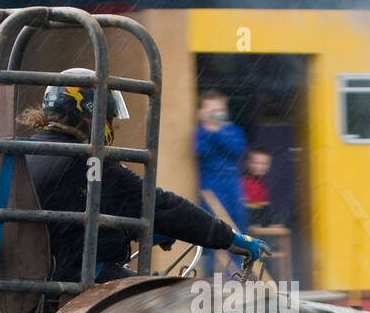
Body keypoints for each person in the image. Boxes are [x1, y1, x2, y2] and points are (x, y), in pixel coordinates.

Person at [19, 69, 268, 285]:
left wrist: (133, 231)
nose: (113, 124)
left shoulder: (28, 152)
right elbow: (161, 205)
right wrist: (229, 238)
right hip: (76, 273)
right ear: (91, 112)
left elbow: (69, 217)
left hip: (34, 273)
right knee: (167, 307)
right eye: (110, 116)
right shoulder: (88, 161)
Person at [195, 91, 248, 230]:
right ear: (200, 113)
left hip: (232, 179)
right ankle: (210, 252)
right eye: (211, 110)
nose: (215, 114)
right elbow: (201, 152)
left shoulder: (232, 130)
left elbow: (236, 151)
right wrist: (209, 132)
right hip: (209, 179)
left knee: (237, 217)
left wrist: (217, 132)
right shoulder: (199, 131)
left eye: (219, 110)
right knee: (212, 218)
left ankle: (237, 250)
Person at [242, 148, 273, 227]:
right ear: (247, 163)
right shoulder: (242, 182)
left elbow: (263, 209)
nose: (260, 167)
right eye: (255, 163)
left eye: (265, 164)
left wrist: (268, 223)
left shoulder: (262, 185)